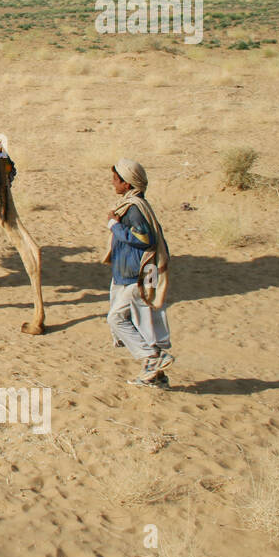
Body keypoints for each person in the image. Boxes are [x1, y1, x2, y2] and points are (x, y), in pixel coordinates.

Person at [104, 158, 173, 388]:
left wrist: (115, 226)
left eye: (116, 180)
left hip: (138, 276)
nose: (113, 183)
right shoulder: (133, 205)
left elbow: (144, 240)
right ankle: (157, 378)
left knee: (115, 319)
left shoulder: (134, 210)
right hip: (131, 275)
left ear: (126, 183)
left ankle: (152, 359)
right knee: (144, 322)